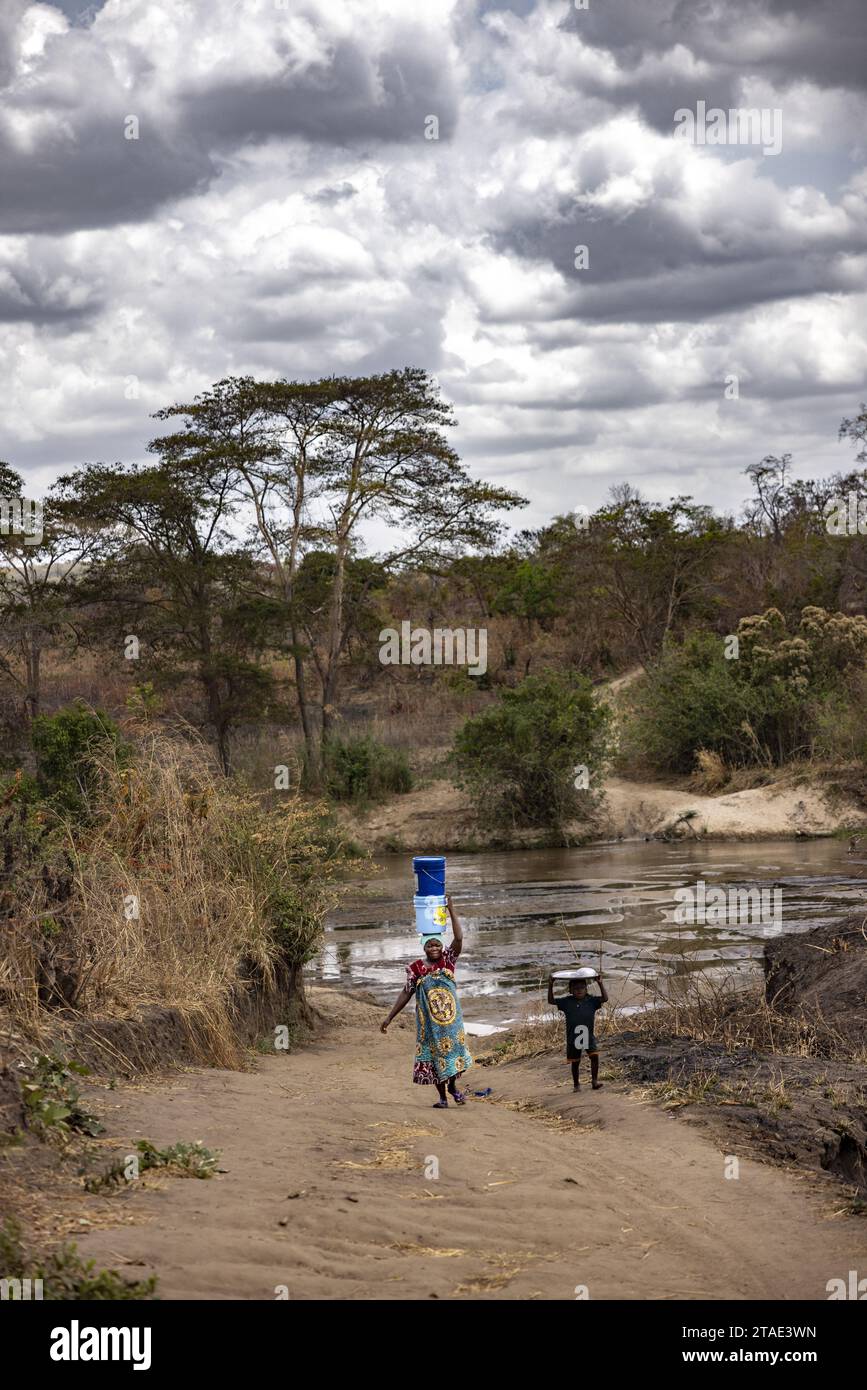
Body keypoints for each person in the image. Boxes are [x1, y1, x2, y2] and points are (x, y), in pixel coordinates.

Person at [380, 896, 473, 1108]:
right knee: (433, 1059)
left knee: (452, 1055)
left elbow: (458, 939)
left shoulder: (448, 960)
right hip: (428, 1024)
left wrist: (451, 909)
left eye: (437, 944)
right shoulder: (415, 969)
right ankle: (442, 1097)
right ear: (424, 947)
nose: (434, 948)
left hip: (450, 1022)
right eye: (430, 945)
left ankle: (452, 1089)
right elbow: (405, 994)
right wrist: (389, 1017)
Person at [547, 970, 608, 1091]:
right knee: (575, 1061)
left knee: (594, 1056)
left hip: (587, 1034)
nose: (579, 990)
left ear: (586, 989)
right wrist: (550, 985)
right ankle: (576, 1085)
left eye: (582, 987)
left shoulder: (591, 1000)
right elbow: (551, 1001)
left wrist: (600, 984)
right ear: (570, 990)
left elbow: (605, 998)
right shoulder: (567, 1002)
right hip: (573, 1036)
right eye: (576, 988)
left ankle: (594, 1081)